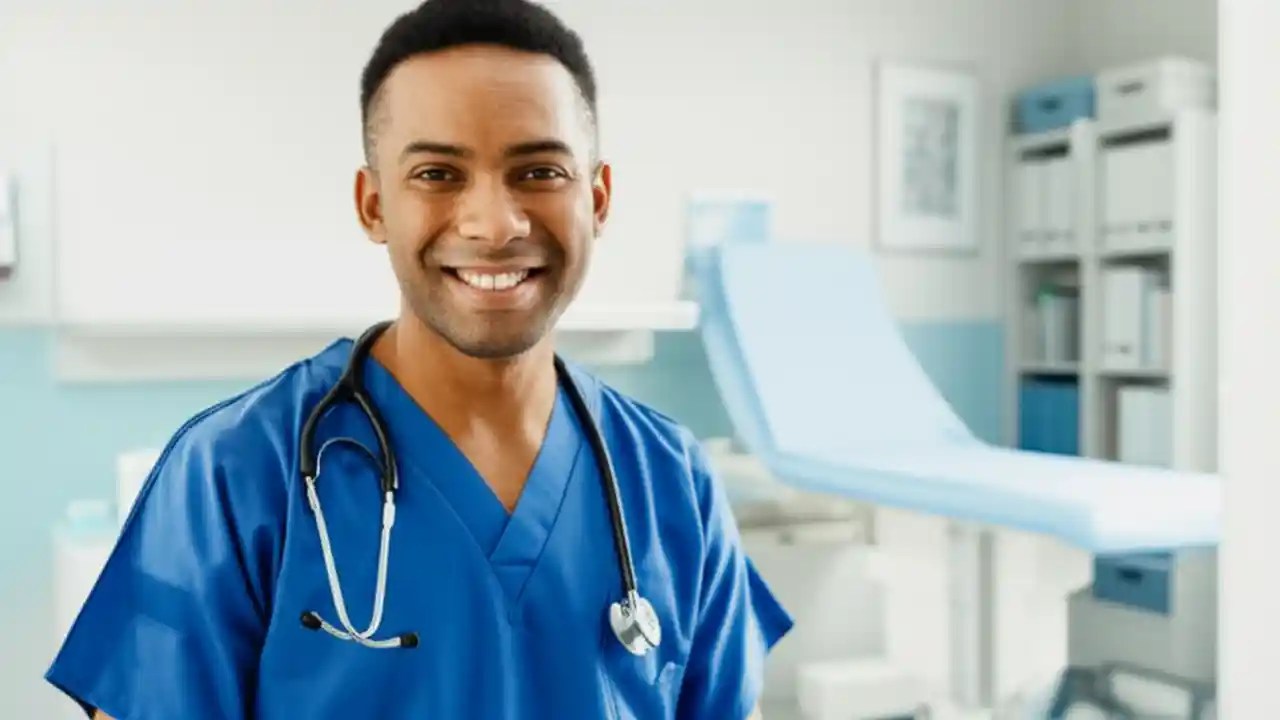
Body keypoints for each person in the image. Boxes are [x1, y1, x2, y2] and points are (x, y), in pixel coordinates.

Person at [44, 0, 793, 717]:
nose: (495, 225)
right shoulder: (233, 474)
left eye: (540, 172)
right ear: (374, 205)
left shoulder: (671, 479)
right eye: (438, 174)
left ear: (597, 200)